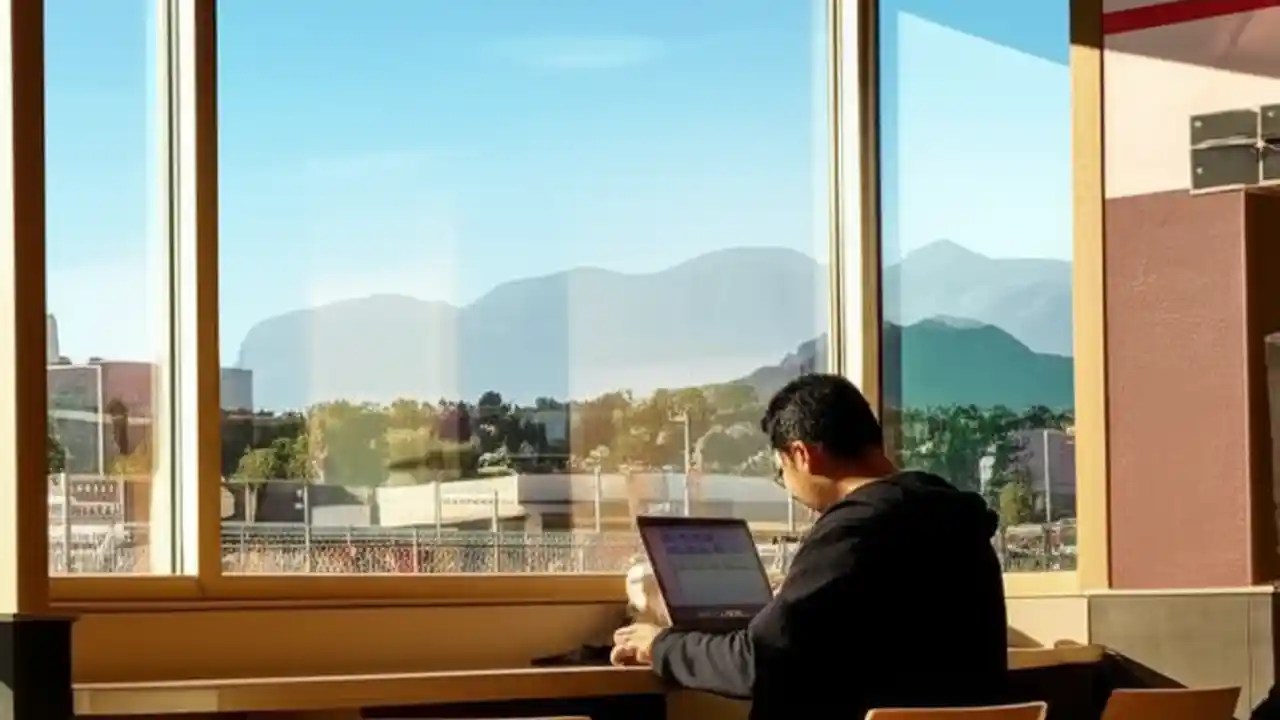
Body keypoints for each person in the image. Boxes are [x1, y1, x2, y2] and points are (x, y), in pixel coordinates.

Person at [611, 373, 1009, 720]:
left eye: (780, 470)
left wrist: (660, 645)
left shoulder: (855, 530)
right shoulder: (960, 525)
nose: (785, 484)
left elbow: (760, 662)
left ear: (802, 454)